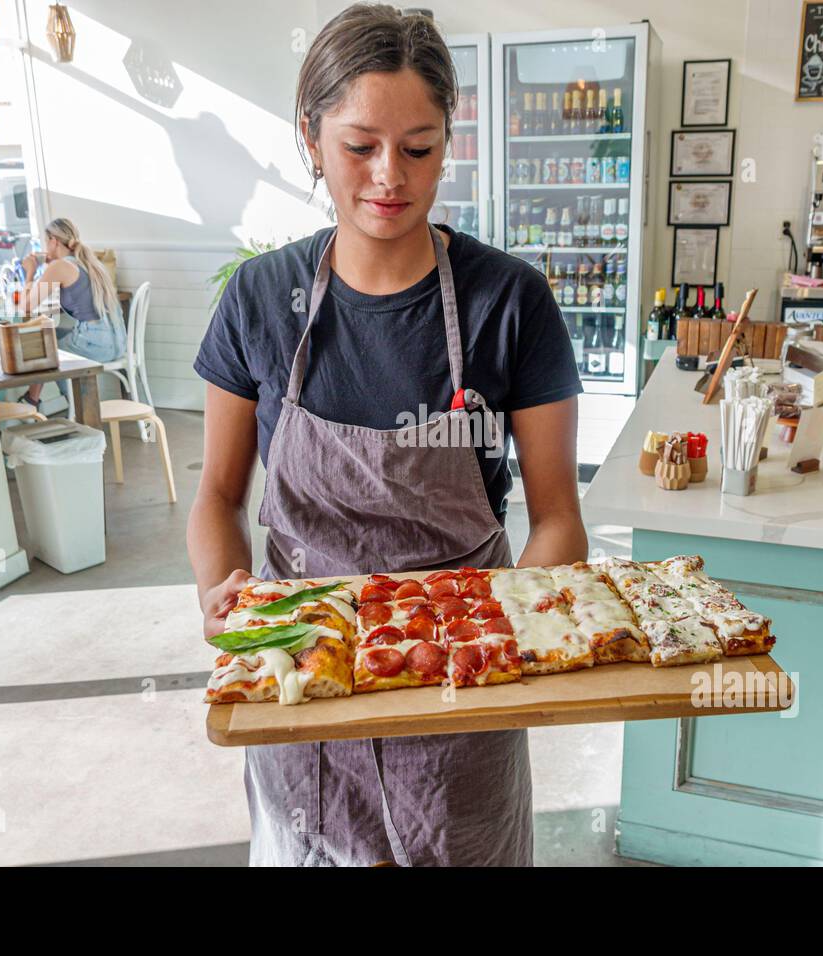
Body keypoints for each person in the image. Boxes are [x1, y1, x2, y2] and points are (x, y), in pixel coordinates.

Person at [187, 3, 586, 867]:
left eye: (418, 147)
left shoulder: (510, 302)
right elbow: (219, 497)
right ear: (311, 136)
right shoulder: (259, 299)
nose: (388, 178)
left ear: (450, 137)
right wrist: (225, 596)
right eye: (359, 146)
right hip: (303, 681)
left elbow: (558, 518)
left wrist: (494, 631)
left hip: (462, 703)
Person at [20, 217, 126, 407]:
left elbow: (26, 306)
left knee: (40, 344)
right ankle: (36, 399)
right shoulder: (90, 263)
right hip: (118, 343)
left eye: (46, 241)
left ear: (53, 241)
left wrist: (30, 272)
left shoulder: (60, 266)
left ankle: (33, 402)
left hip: (97, 347)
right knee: (48, 336)